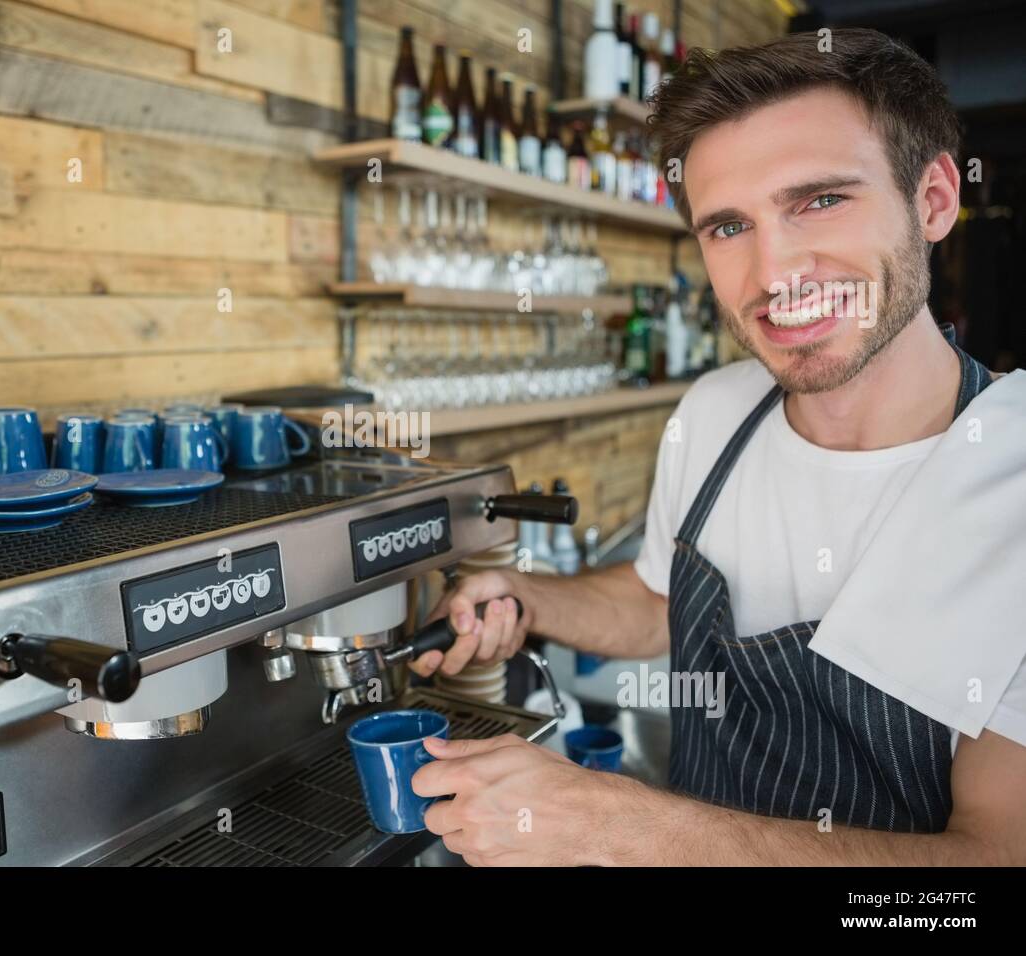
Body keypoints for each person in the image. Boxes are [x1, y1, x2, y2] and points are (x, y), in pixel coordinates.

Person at [409, 28, 1026, 866]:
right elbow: (663, 604)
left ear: (935, 200)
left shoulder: (1009, 477)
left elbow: (989, 863)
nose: (774, 274)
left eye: (819, 200)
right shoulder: (715, 413)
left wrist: (620, 823)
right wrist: (526, 595)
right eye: (728, 225)